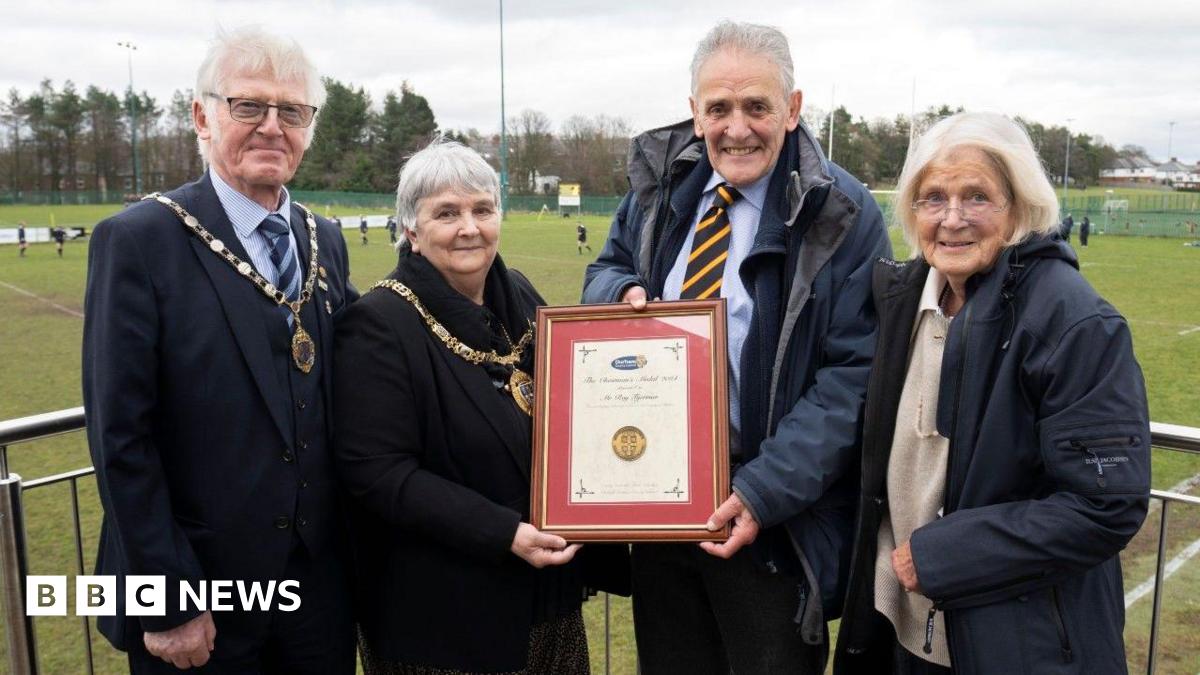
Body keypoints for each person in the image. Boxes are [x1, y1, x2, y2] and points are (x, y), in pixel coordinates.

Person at [583, 21, 889, 674]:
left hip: (769, 522)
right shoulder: (659, 193)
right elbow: (607, 266)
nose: (737, 127)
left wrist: (760, 490)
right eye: (719, 108)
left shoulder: (841, 214)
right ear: (694, 113)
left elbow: (853, 374)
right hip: (659, 507)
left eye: (757, 106)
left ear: (794, 108)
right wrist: (620, 294)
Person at [82, 27, 357, 674]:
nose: (272, 127)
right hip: (201, 596)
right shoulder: (140, 240)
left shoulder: (326, 238)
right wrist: (167, 598)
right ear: (202, 116)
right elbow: (122, 437)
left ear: (309, 128)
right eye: (248, 106)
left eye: (292, 111)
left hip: (317, 593)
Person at [834, 112, 1150, 674]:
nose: (952, 219)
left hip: (1018, 645)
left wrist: (941, 555)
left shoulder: (1073, 321)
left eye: (976, 197)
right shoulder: (899, 299)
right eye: (933, 198)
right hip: (902, 629)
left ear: (1019, 207)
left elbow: (1106, 503)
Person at [334, 138, 627, 675]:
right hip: (444, 618)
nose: (469, 227)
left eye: (482, 210)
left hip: (548, 593)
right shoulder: (378, 322)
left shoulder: (518, 293)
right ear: (411, 230)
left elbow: (574, 405)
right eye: (446, 213)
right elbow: (376, 473)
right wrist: (502, 532)